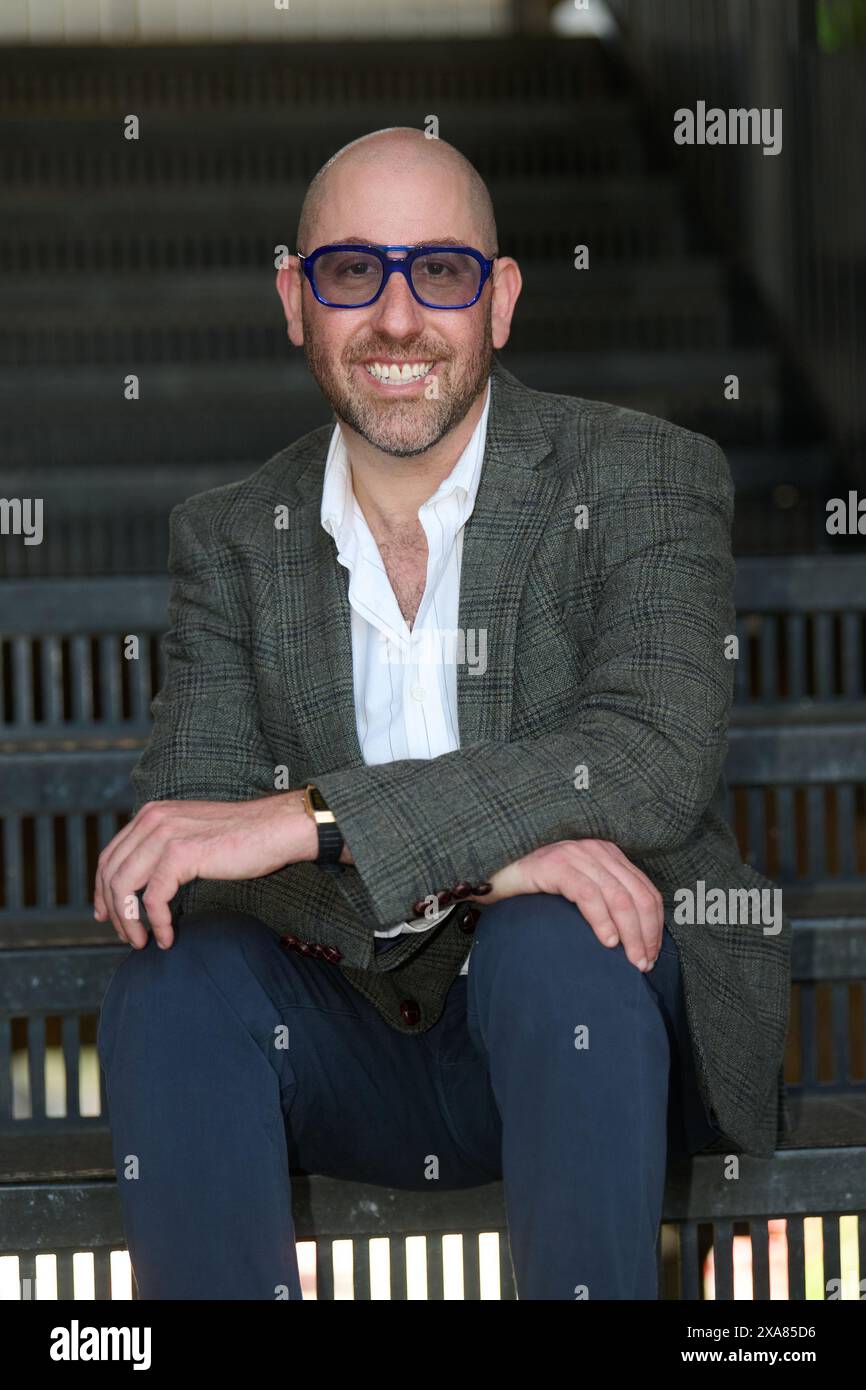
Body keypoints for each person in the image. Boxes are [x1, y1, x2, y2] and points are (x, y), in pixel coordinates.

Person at [94, 127, 791, 1301]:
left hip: (595, 1034)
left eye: (443, 272)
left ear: (500, 299)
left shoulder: (641, 477)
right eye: (354, 272)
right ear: (294, 299)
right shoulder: (229, 536)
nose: (400, 317)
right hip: (340, 1045)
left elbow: (649, 756)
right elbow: (195, 852)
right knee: (173, 981)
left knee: (557, 937)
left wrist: (315, 818)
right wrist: (493, 863)